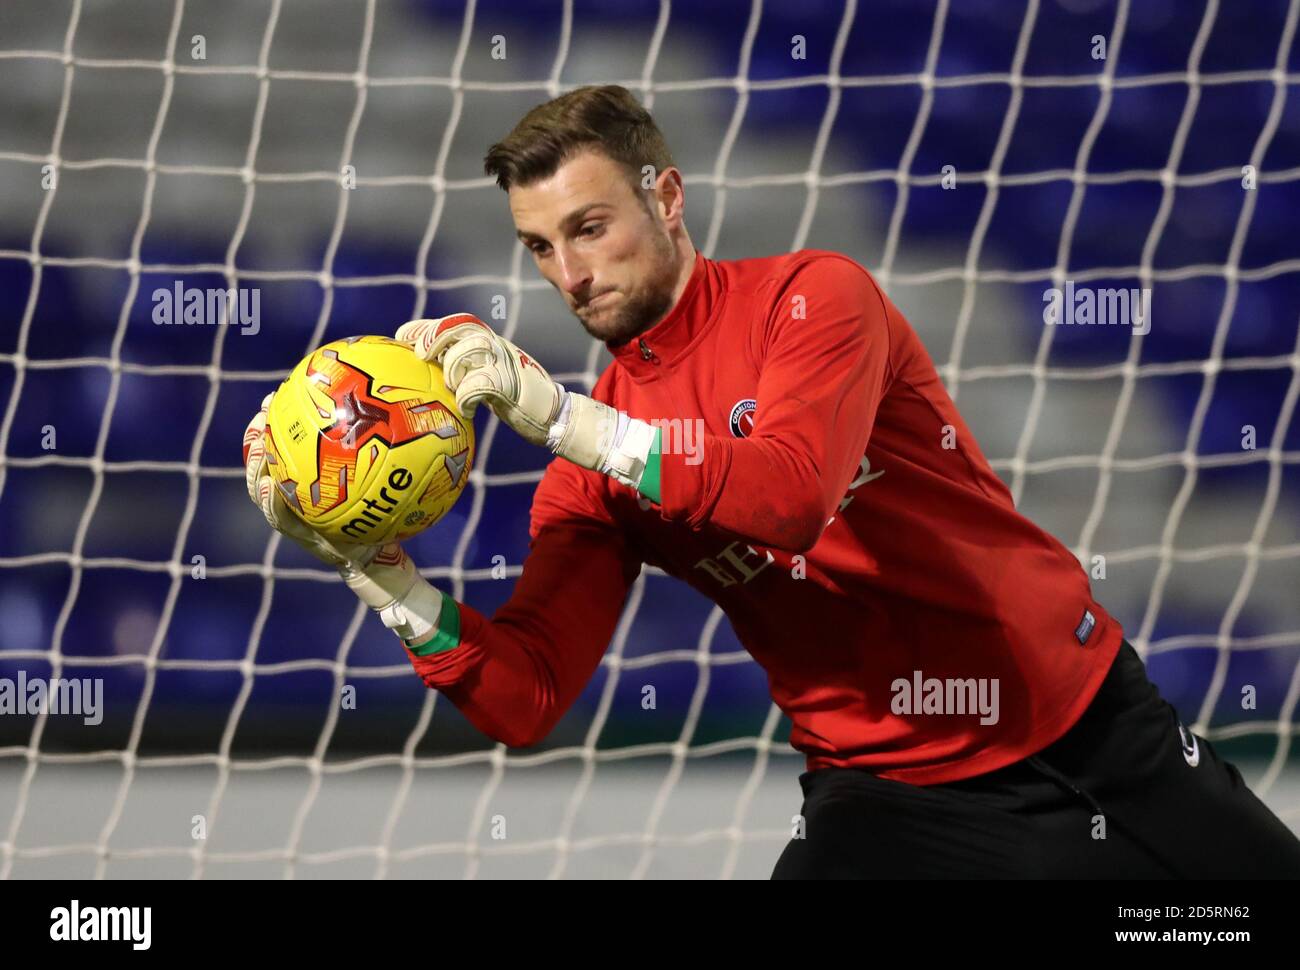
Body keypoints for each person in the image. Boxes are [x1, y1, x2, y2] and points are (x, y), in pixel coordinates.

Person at [242, 85, 1300, 878]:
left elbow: (788, 496)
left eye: (588, 228)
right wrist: (390, 587)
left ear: (666, 197)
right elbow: (526, 695)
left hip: (1076, 729)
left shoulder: (814, 300)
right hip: (879, 794)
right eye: (537, 248)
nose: (568, 274)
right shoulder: (588, 475)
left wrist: (564, 418)